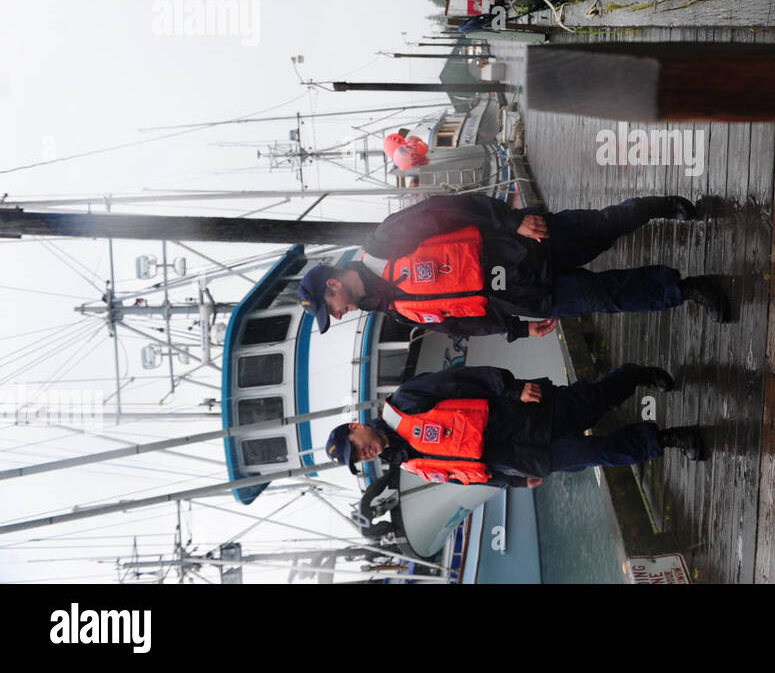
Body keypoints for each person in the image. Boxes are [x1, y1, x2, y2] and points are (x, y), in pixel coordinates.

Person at [298, 193, 729, 341]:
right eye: (330, 315)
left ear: (333, 282)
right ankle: (687, 289)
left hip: (525, 246)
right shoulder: (390, 308)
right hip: (526, 297)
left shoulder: (385, 240)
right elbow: (459, 327)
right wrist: (517, 329)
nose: (336, 314)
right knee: (607, 296)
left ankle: (660, 207)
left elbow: (452, 209)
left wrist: (512, 219)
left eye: (329, 305)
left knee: (603, 227)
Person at [325, 363, 705, 487]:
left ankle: (635, 375)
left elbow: (462, 379)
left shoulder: (404, 403)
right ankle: (667, 439)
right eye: (359, 458)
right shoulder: (411, 465)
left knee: (595, 402)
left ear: (357, 427)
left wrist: (511, 387)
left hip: (525, 413)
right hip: (526, 456)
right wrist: (515, 482)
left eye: (356, 445)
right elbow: (470, 476)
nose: (365, 453)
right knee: (597, 452)